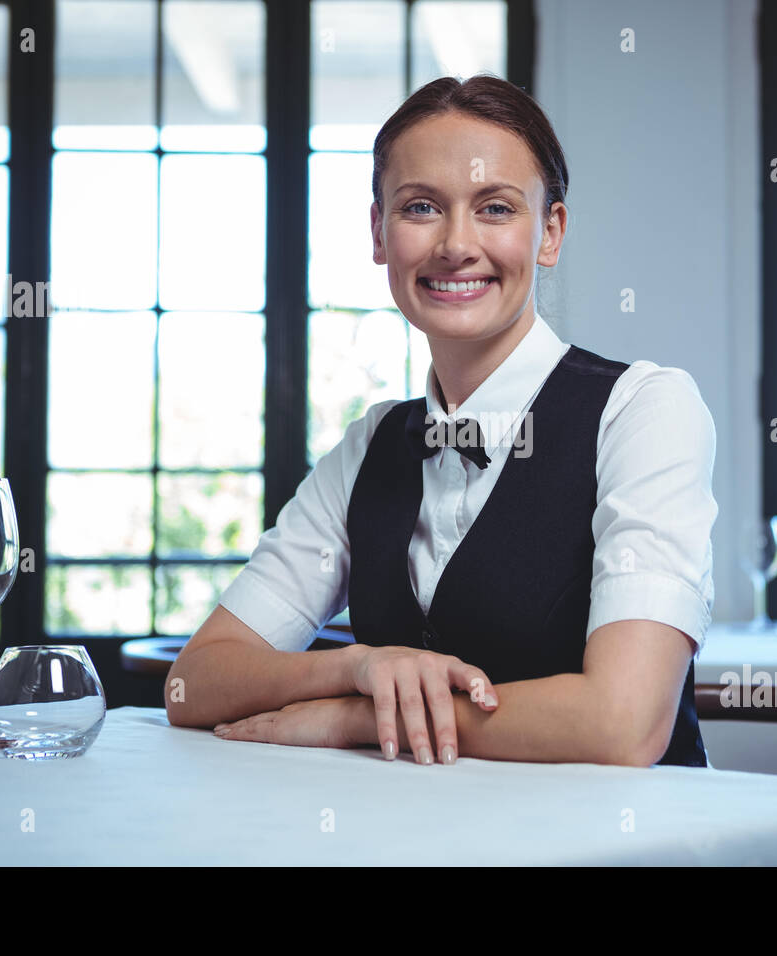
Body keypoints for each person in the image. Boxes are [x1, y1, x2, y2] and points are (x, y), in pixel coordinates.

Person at [165, 74, 717, 769]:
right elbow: (193, 682)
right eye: (421, 207)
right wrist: (357, 667)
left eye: (495, 208)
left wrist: (353, 721)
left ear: (550, 233)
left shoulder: (644, 410)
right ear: (379, 232)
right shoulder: (370, 446)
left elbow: (623, 726)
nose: (456, 244)